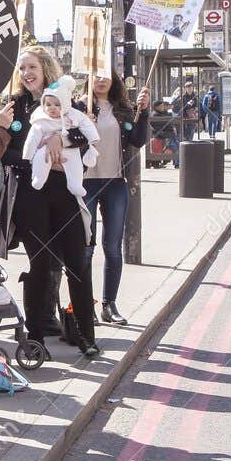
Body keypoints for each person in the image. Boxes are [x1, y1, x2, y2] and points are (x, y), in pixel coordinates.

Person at [0, 47, 100, 364]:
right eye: (22, 67)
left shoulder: (69, 103)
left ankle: (86, 336)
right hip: (30, 195)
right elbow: (5, 154)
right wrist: (39, 153)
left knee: (77, 264)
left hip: (66, 194)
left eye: (32, 66)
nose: (26, 73)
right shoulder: (14, 107)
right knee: (40, 266)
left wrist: (60, 142)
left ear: (46, 68)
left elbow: (86, 139)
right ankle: (35, 337)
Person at [82, 73, 152, 327]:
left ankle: (108, 305)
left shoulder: (123, 110)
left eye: (106, 77)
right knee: (85, 249)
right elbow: (67, 140)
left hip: (115, 183)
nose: (101, 81)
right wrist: (80, 126)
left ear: (114, 81)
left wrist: (143, 112)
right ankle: (83, 305)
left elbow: (137, 140)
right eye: (96, 76)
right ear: (88, 80)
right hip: (84, 183)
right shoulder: (79, 107)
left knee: (112, 247)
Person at [23, 75, 97, 206]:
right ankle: (38, 178)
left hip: (70, 153)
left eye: (57, 104)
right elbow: (32, 138)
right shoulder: (41, 118)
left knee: (75, 166)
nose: (52, 108)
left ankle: (75, 184)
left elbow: (85, 126)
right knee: (41, 159)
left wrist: (92, 138)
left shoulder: (73, 114)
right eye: (49, 104)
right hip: (44, 150)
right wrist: (28, 155)